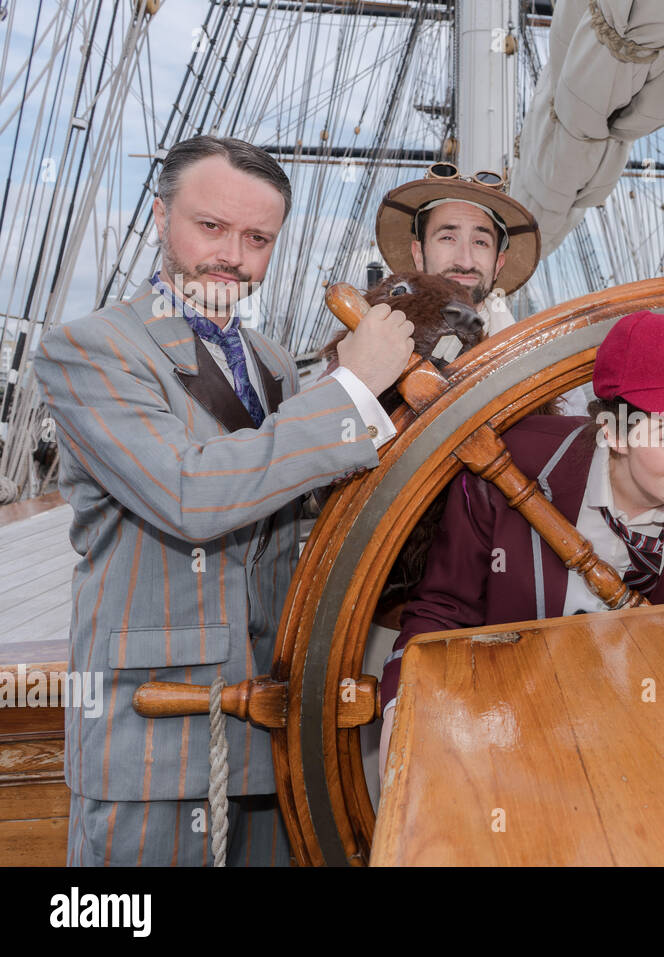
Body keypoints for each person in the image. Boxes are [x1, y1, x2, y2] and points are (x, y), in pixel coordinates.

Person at [33, 136, 414, 866]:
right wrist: (351, 390)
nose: (232, 255)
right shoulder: (91, 349)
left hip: (273, 728)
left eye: (257, 238)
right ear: (159, 217)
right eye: (210, 226)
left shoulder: (273, 362)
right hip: (155, 737)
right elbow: (191, 492)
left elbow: (296, 504)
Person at [377, 310, 664, 765]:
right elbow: (442, 613)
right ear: (615, 432)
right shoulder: (505, 462)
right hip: (522, 737)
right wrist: (404, 715)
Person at [374, 163, 540, 339]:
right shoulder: (374, 342)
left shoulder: (533, 360)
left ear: (498, 265)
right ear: (419, 255)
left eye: (480, 242)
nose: (465, 261)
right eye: (447, 238)